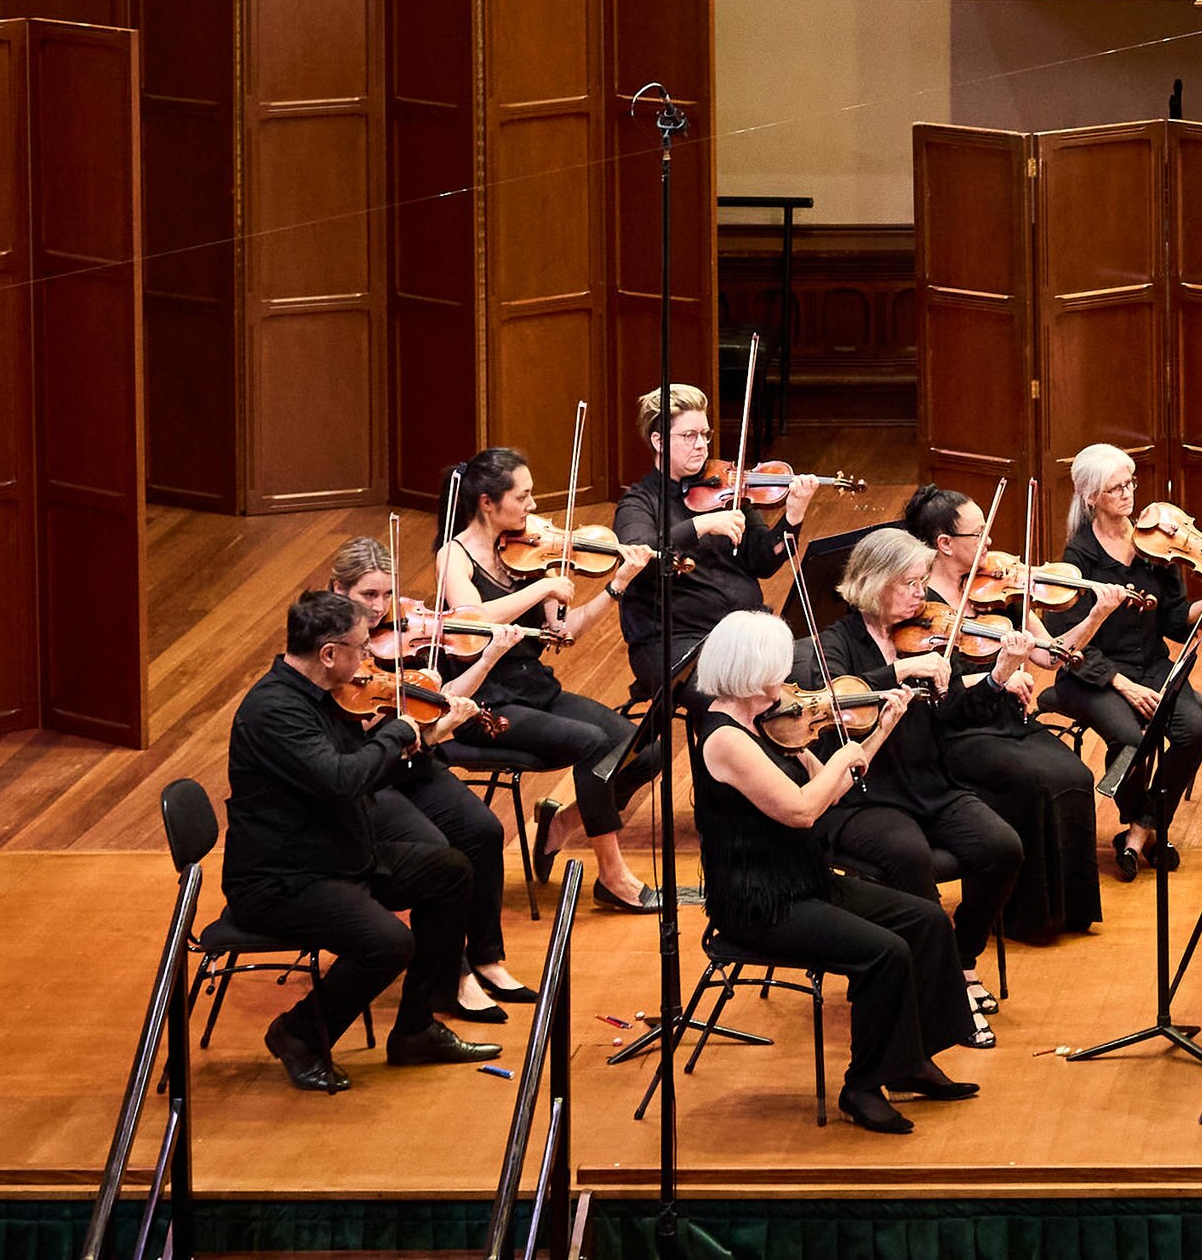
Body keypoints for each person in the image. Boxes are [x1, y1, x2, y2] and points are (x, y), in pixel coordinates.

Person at [684, 609, 978, 1134]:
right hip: (760, 902)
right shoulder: (726, 738)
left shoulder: (770, 722)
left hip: (807, 881)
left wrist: (881, 730)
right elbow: (801, 811)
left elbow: (833, 792)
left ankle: (910, 1060)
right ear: (751, 670)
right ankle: (861, 1087)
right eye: (778, 666)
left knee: (927, 920)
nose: (787, 676)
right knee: (884, 952)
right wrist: (842, 756)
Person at [222, 589, 490, 1091]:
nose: (368, 660)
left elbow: (364, 774)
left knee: (450, 872)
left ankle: (415, 1030)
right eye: (362, 648)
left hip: (339, 857)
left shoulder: (326, 697)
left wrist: (424, 741)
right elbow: (341, 780)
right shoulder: (275, 712)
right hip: (282, 880)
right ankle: (299, 1032)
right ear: (328, 653)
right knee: (389, 943)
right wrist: (400, 731)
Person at [807, 526, 1028, 1029]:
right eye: (909, 583)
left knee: (1003, 846)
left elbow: (952, 715)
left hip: (929, 784)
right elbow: (836, 699)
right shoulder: (834, 643)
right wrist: (899, 674)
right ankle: (942, 991)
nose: (920, 593)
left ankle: (960, 958)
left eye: (922, 582)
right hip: (865, 796)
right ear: (873, 582)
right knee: (910, 857)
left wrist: (998, 675)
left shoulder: (926, 636)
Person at [435, 448, 669, 915]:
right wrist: (542, 587)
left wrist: (618, 584)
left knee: (645, 748)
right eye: (522, 497)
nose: (533, 506)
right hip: (484, 701)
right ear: (487, 503)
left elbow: (566, 632)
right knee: (592, 743)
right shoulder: (453, 556)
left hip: (535, 688)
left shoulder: (529, 552)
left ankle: (560, 824)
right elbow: (472, 619)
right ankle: (613, 876)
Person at [304, 539, 527, 1021]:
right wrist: (386, 718)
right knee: (437, 853)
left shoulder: (402, 637)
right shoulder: (326, 648)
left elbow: (433, 703)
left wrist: (483, 662)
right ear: (338, 589)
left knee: (483, 831)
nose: (380, 607)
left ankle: (487, 957)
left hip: (413, 760)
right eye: (368, 595)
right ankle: (453, 975)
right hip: (371, 778)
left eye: (387, 594)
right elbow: (341, 737)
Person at [902, 484, 1110, 940]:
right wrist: (997, 675)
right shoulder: (918, 607)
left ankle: (1069, 912)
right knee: (1032, 781)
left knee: (1075, 774)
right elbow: (935, 691)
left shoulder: (997, 590)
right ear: (944, 543)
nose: (990, 542)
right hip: (958, 731)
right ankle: (1020, 914)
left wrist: (1096, 615)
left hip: (1005, 718)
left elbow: (1051, 656)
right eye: (979, 534)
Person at [1046, 443, 1202, 874]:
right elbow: (1068, 645)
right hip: (1092, 674)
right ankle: (1143, 827)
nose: (1128, 494)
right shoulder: (1079, 559)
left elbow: (1176, 623)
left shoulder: (1157, 547)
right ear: (1091, 497)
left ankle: (1142, 829)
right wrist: (1122, 684)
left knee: (1196, 731)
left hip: (1152, 666)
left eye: (1130, 483)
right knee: (1130, 738)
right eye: (1116, 488)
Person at [614, 385, 813, 765]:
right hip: (674, 642)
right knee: (734, 701)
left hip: (739, 634)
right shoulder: (639, 503)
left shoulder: (724, 486)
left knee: (808, 675)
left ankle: (792, 778)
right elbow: (640, 556)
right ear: (658, 441)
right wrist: (701, 525)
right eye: (689, 436)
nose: (701, 446)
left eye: (705, 434)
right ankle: (727, 789)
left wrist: (793, 516)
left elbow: (762, 561)